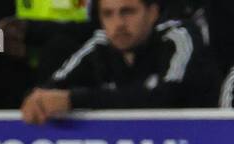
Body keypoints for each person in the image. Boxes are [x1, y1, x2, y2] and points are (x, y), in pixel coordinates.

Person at [20, 0, 218, 124]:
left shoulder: (179, 37)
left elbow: (165, 99)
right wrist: (38, 100)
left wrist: (74, 99)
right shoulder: (101, 43)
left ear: (153, 13)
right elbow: (53, 87)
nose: (118, 24)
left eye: (128, 11)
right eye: (108, 14)